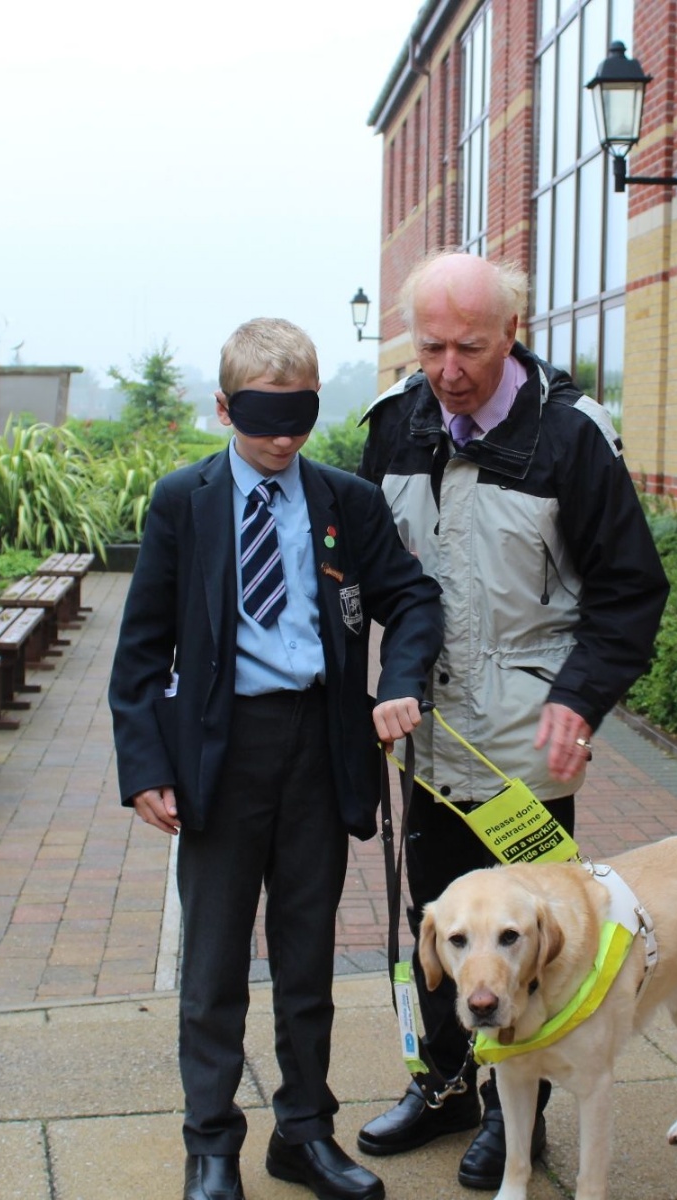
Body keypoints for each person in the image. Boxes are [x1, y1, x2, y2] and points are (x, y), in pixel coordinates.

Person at [109, 317, 443, 1200]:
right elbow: (141, 648)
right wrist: (145, 766)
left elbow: (412, 598)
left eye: (300, 418)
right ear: (225, 409)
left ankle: (303, 1132)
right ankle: (211, 1144)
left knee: (305, 957)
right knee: (214, 963)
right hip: (221, 754)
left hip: (319, 746)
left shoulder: (344, 501)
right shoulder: (183, 502)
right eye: (264, 420)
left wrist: (397, 682)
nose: (285, 440)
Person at [355, 252, 669, 1189]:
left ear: (513, 334)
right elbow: (372, 570)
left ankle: (514, 1114)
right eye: (432, 347)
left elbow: (631, 591)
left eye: (471, 348)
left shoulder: (571, 437)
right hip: (429, 737)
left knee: (525, 931)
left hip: (524, 745)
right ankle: (445, 1084)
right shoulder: (395, 423)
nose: (449, 370)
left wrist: (579, 697)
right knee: (439, 920)